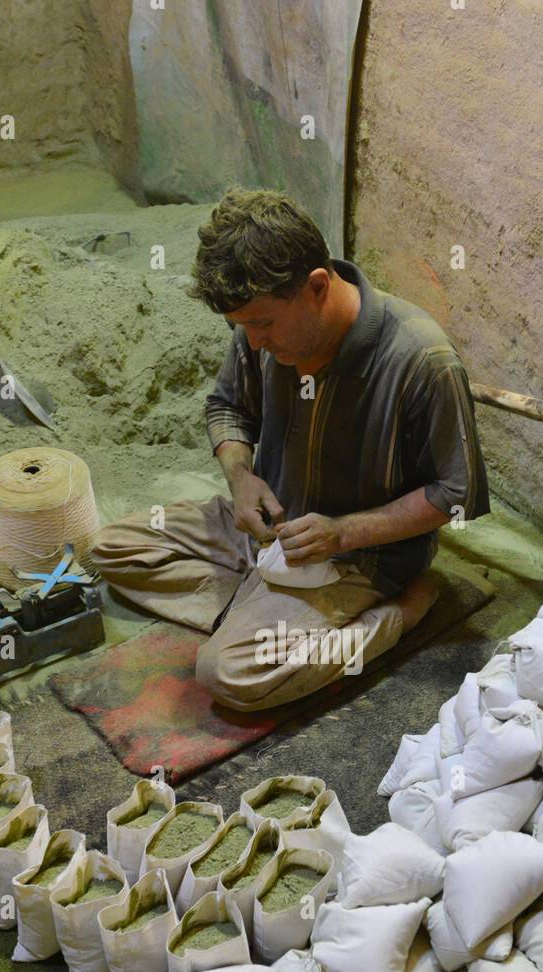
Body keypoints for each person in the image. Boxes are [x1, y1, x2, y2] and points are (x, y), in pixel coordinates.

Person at [90, 187, 490, 711]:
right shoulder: (261, 330)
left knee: (224, 674)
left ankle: (400, 614)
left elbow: (457, 494)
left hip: (356, 558)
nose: (253, 342)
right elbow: (228, 405)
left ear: (317, 287)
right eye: (242, 327)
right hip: (270, 532)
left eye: (262, 324)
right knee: (109, 548)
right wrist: (241, 477)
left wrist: (342, 532)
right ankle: (257, 607)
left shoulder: (421, 359)